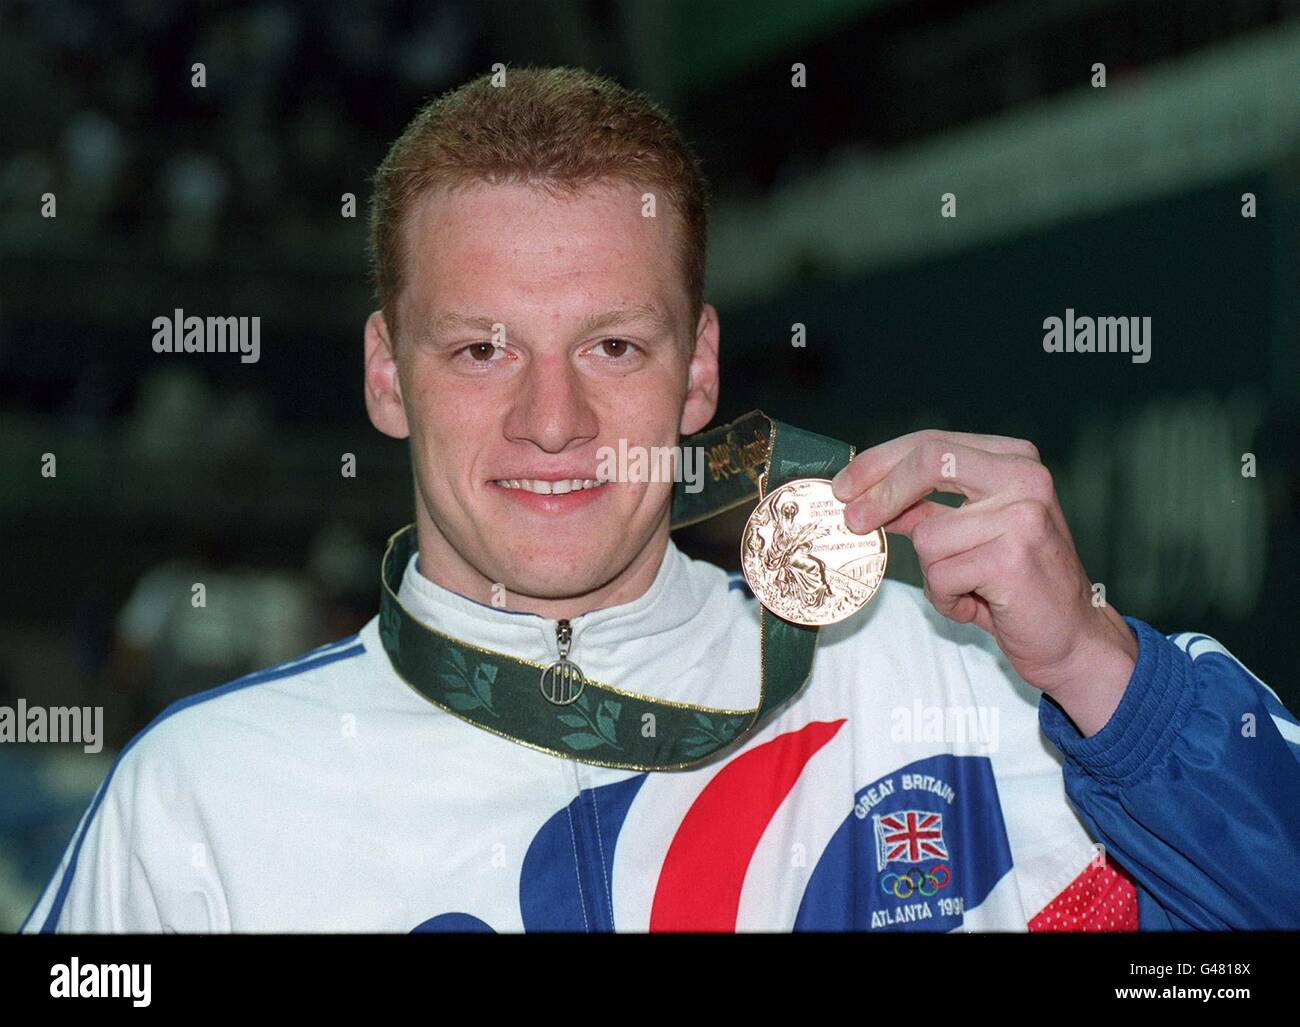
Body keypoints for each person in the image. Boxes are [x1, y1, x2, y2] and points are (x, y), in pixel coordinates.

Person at [23, 67, 1300, 933]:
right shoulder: (201, 805)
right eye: (480, 350)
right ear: (383, 375)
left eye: (611, 347)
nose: (551, 419)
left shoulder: (961, 699)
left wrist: (1098, 670)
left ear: (697, 370)